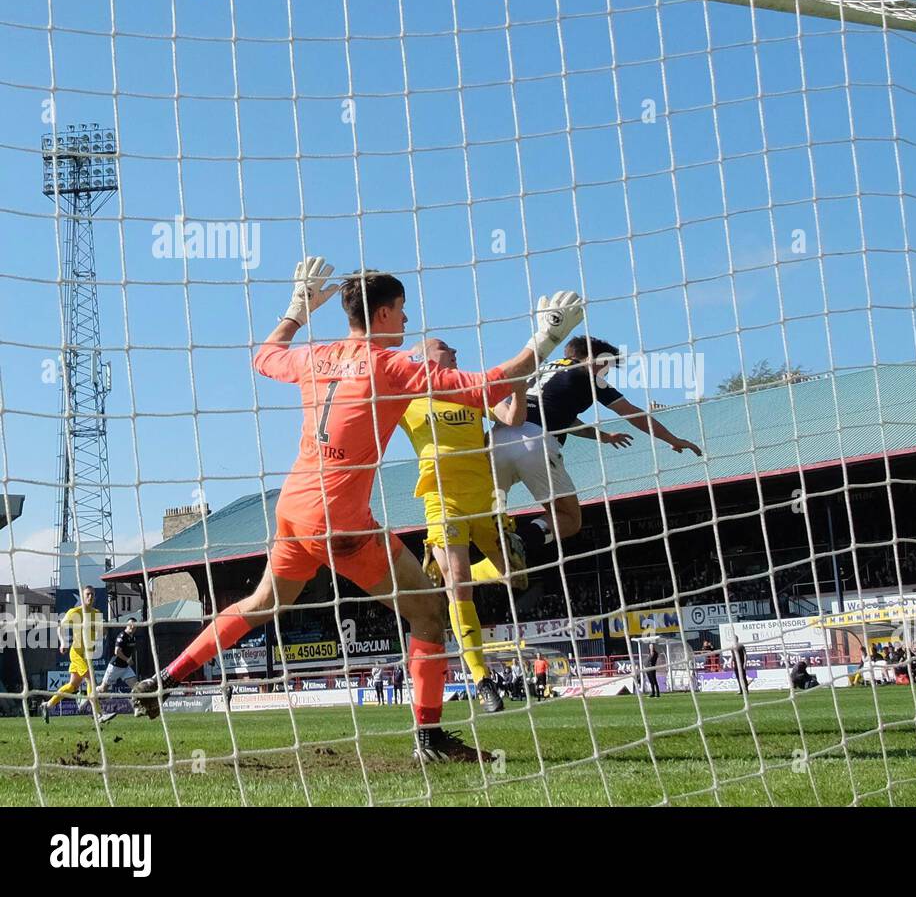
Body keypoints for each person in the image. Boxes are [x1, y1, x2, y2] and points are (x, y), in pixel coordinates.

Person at [132, 260, 584, 764]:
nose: (408, 322)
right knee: (429, 612)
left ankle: (166, 677)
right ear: (386, 312)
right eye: (404, 312)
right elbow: (485, 389)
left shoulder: (317, 356)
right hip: (341, 521)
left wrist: (297, 310)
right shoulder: (390, 366)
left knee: (261, 603)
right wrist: (545, 341)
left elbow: (264, 357)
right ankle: (429, 738)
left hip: (293, 509)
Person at [399, 338, 529, 715]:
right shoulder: (407, 400)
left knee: (514, 576)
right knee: (460, 586)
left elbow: (513, 418)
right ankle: (481, 680)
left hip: (486, 497)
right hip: (443, 499)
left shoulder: (470, 387)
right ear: (424, 359)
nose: (456, 351)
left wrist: (518, 385)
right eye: (445, 348)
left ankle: (446, 572)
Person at [491, 336, 703, 559]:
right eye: (607, 367)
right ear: (594, 359)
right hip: (535, 444)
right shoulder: (588, 374)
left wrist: (602, 436)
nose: (607, 374)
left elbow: (561, 416)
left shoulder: (542, 371)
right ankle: (519, 542)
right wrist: (672, 439)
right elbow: (631, 412)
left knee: (484, 508)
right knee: (569, 519)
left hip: (497, 437)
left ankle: (482, 560)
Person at [41, 585, 102, 723]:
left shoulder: (96, 613)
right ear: (82, 596)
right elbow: (60, 626)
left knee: (72, 686)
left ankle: (47, 705)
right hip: (77, 653)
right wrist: (63, 642)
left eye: (92, 594)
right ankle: (98, 714)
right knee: (90, 679)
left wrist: (98, 629)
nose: (90, 597)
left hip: (88, 655)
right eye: (87, 594)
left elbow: (102, 633)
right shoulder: (75, 612)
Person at [94, 618, 142, 724]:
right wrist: (127, 659)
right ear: (127, 625)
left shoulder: (133, 638)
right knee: (102, 690)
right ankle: (90, 694)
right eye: (131, 625)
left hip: (125, 668)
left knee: (137, 687)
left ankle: (137, 709)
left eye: (135, 625)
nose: (133, 627)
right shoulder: (122, 636)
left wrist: (128, 661)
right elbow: (117, 652)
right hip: (115, 667)